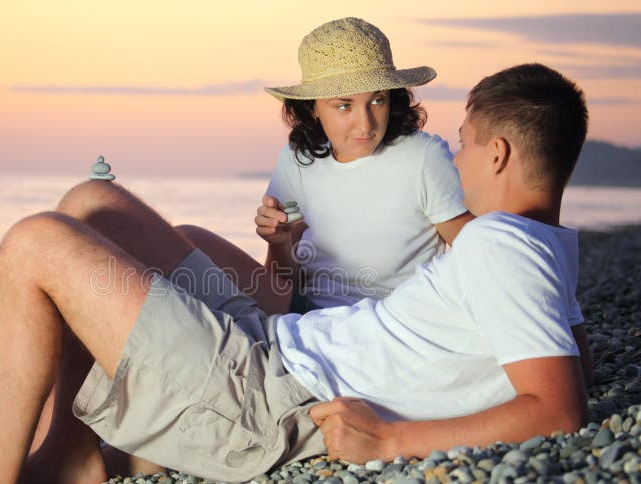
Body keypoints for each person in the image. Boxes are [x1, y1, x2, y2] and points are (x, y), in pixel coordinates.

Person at [0, 63, 592, 484]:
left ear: (497, 153)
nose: (454, 156)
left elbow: (558, 407)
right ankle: (67, 451)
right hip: (274, 350)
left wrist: (395, 439)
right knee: (93, 202)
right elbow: (564, 364)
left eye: (464, 143)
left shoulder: (503, 244)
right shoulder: (543, 250)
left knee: (34, 244)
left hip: (264, 397)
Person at [177, 17, 473, 314]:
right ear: (313, 108)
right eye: (344, 105)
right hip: (304, 318)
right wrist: (279, 242)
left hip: (386, 326)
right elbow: (282, 283)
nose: (365, 123)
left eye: (377, 101)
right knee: (183, 239)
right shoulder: (298, 158)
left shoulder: (422, 157)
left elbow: (479, 254)